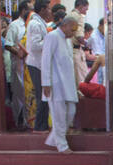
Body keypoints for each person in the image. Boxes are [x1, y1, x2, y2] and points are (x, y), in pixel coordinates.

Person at [40, 14, 80, 153]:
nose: (73, 33)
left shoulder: (67, 40)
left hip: (68, 84)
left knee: (71, 112)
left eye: (75, 30)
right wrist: (46, 83)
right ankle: (62, 145)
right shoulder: (52, 36)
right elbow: (45, 59)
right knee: (59, 115)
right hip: (55, 83)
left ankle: (53, 140)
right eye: (72, 29)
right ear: (64, 26)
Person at [4, 2, 30, 130]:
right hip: (19, 64)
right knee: (20, 94)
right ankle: (20, 122)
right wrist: (19, 53)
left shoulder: (32, 24)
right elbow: (8, 44)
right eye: (30, 9)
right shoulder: (14, 25)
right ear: (23, 10)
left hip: (32, 64)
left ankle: (31, 120)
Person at [25, 0, 50, 132]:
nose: (50, 11)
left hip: (40, 63)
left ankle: (42, 125)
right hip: (36, 63)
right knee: (42, 96)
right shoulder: (35, 24)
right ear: (42, 10)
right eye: (48, 8)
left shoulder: (40, 22)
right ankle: (39, 127)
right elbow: (34, 46)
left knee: (45, 95)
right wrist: (49, 40)